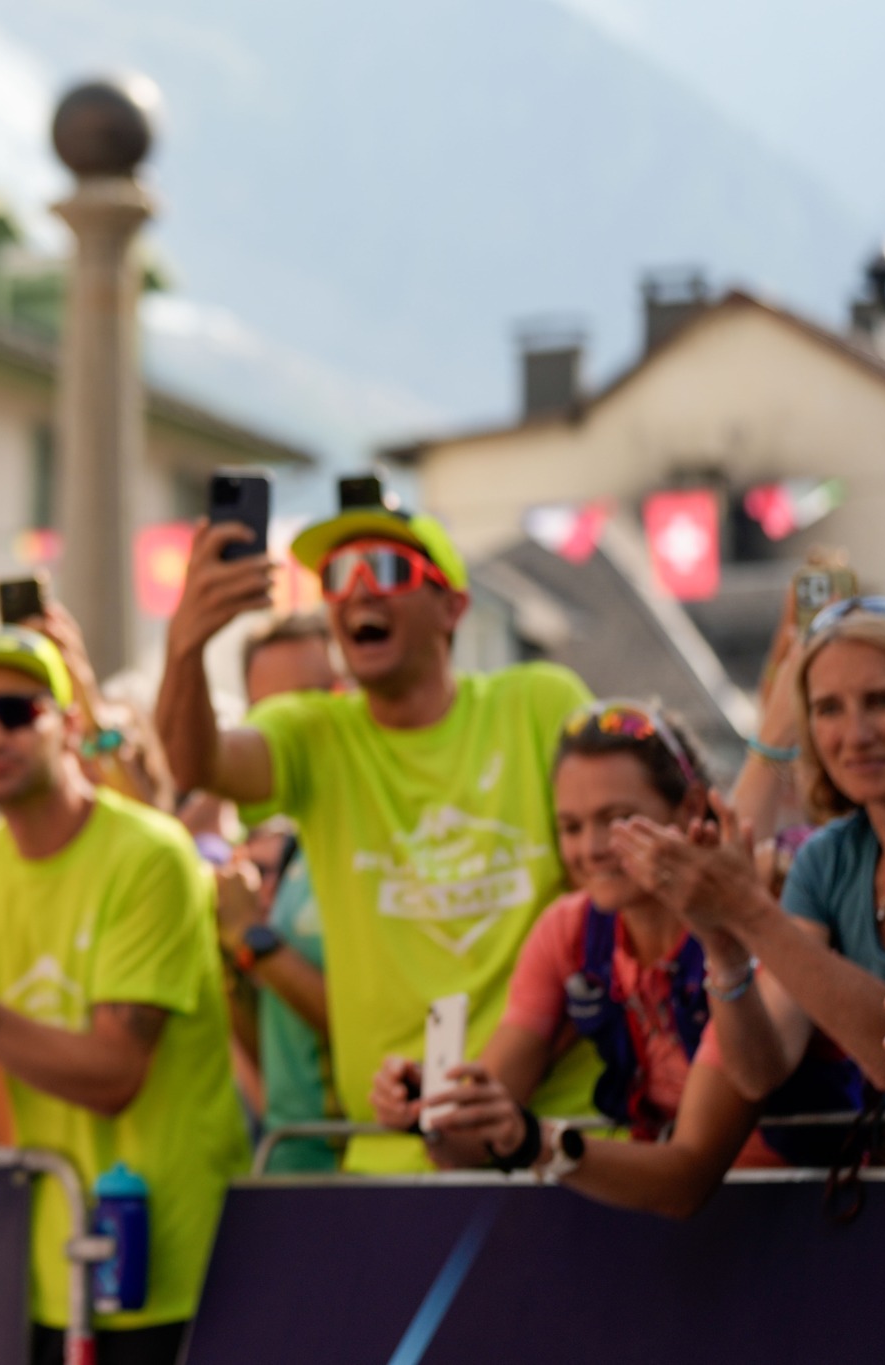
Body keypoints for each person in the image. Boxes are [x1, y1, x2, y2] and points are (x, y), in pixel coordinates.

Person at [156, 477, 598, 1170]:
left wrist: (508, 1085)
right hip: (390, 1155)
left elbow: (612, 903)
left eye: (388, 569)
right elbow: (194, 759)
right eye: (336, 574)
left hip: (560, 1142)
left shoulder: (539, 703)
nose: (358, 589)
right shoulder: (314, 731)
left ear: (452, 606)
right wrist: (185, 646)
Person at [0, 628, 246, 1365]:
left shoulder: (151, 853)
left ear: (65, 721)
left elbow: (113, 1077)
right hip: (52, 1266)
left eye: (15, 710)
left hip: (185, 1263)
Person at [371, 703, 790, 1216]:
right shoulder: (569, 932)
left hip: (806, 1215)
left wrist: (535, 1143)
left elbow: (688, 1177)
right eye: (570, 826)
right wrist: (429, 1112)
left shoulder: (749, 922)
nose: (591, 848)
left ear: (690, 807)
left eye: (617, 820)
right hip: (658, 1225)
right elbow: (472, 1145)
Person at [616, 598, 885, 1110]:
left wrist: (747, 909)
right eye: (828, 709)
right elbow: (760, 1071)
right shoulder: (829, 860)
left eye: (882, 701)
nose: (856, 735)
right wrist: (725, 950)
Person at [221, 614, 339, 1172]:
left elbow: (375, 1027)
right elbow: (264, 1042)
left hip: (375, 1168)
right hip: (290, 1164)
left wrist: (255, 938)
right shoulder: (277, 854)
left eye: (315, 699)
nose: (292, 724)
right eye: (271, 711)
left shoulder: (388, 839)